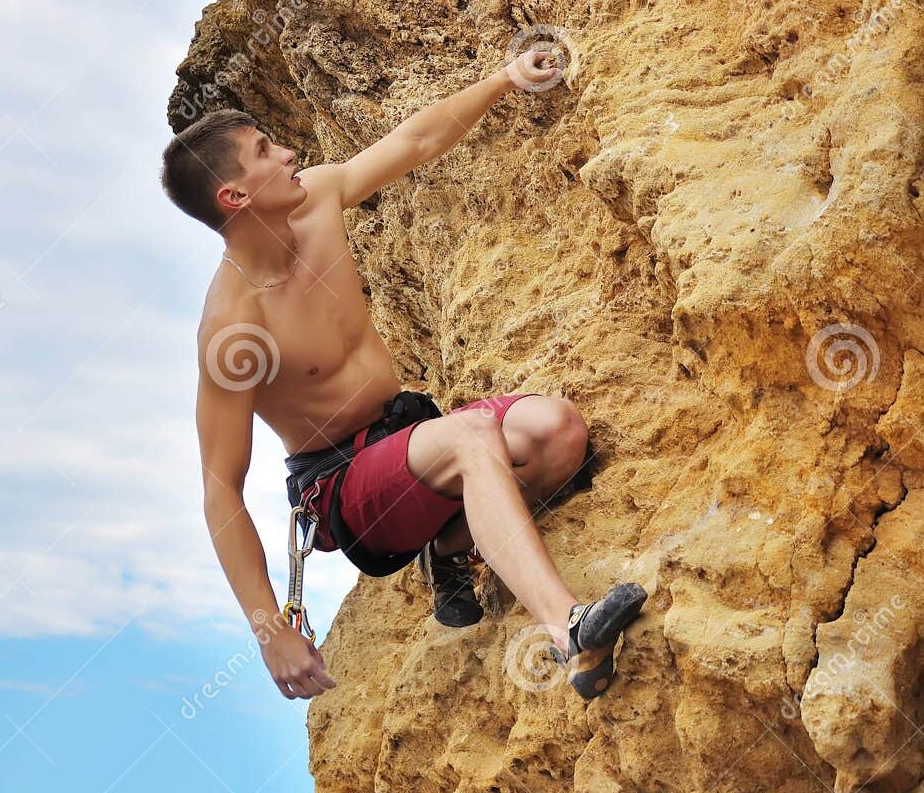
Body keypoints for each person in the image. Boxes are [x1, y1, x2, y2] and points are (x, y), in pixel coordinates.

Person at [160, 48, 647, 703]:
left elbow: (417, 140)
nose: (286, 155)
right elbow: (221, 493)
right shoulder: (232, 329)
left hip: (407, 437)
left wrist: (504, 79)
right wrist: (268, 628)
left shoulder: (318, 200)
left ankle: (448, 548)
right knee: (473, 435)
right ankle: (569, 630)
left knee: (557, 431)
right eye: (264, 151)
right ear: (235, 195)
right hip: (343, 490)